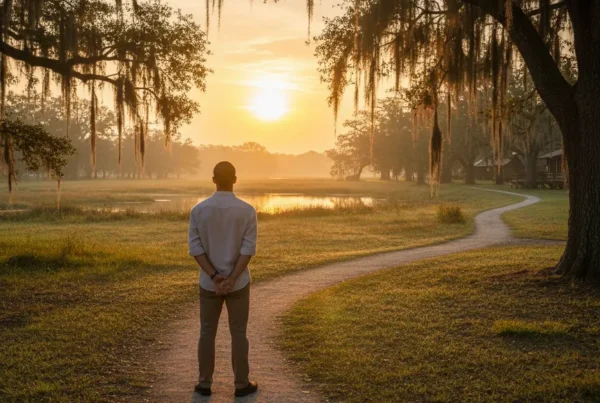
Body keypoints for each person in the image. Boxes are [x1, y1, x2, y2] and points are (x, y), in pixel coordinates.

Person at [188, 161, 258, 398]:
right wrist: (232, 278)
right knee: (238, 332)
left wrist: (215, 277)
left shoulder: (199, 210)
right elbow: (248, 249)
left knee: (207, 331)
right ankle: (241, 384)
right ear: (235, 179)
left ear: (213, 179)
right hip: (239, 283)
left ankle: (204, 384)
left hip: (209, 283)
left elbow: (195, 248)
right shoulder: (247, 210)